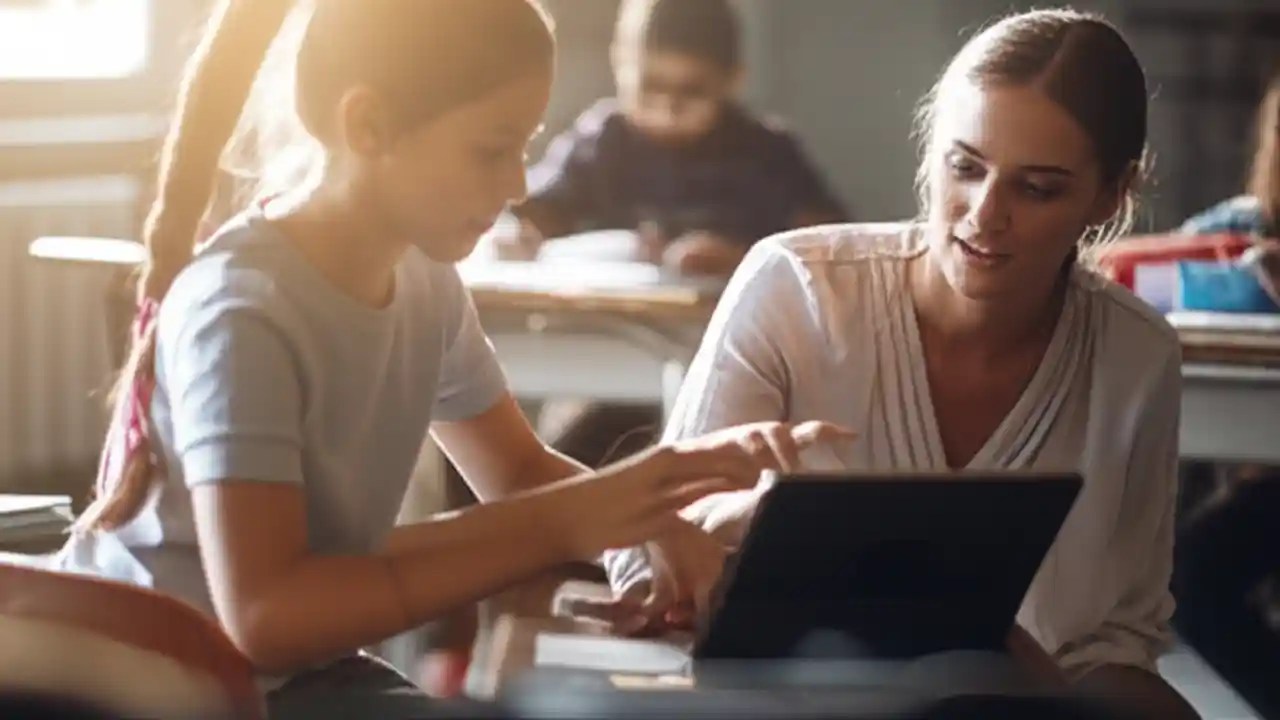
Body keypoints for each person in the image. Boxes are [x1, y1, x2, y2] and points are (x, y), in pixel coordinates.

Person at [37, 2, 846, 716]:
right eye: (493, 149)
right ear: (367, 127)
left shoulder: (423, 278)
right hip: (159, 686)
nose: (521, 183)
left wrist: (647, 528)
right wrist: (573, 518)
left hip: (288, 675)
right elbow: (270, 613)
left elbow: (520, 473)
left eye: (525, 146)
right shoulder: (243, 309)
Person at [597, 9, 1199, 720]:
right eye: (964, 167)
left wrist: (1029, 681)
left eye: (1037, 188)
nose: (984, 214)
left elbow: (1118, 649)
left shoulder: (1136, 357)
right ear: (929, 151)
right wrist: (756, 520)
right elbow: (650, 558)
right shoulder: (797, 288)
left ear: (1110, 195)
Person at [500, 0, 849, 471]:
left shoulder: (765, 154)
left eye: (692, 90)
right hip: (608, 351)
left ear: (732, 81)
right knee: (567, 460)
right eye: (650, 85)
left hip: (735, 366)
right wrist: (524, 231)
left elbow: (827, 246)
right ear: (619, 65)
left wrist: (742, 258)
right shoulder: (605, 140)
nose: (667, 106)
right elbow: (537, 210)